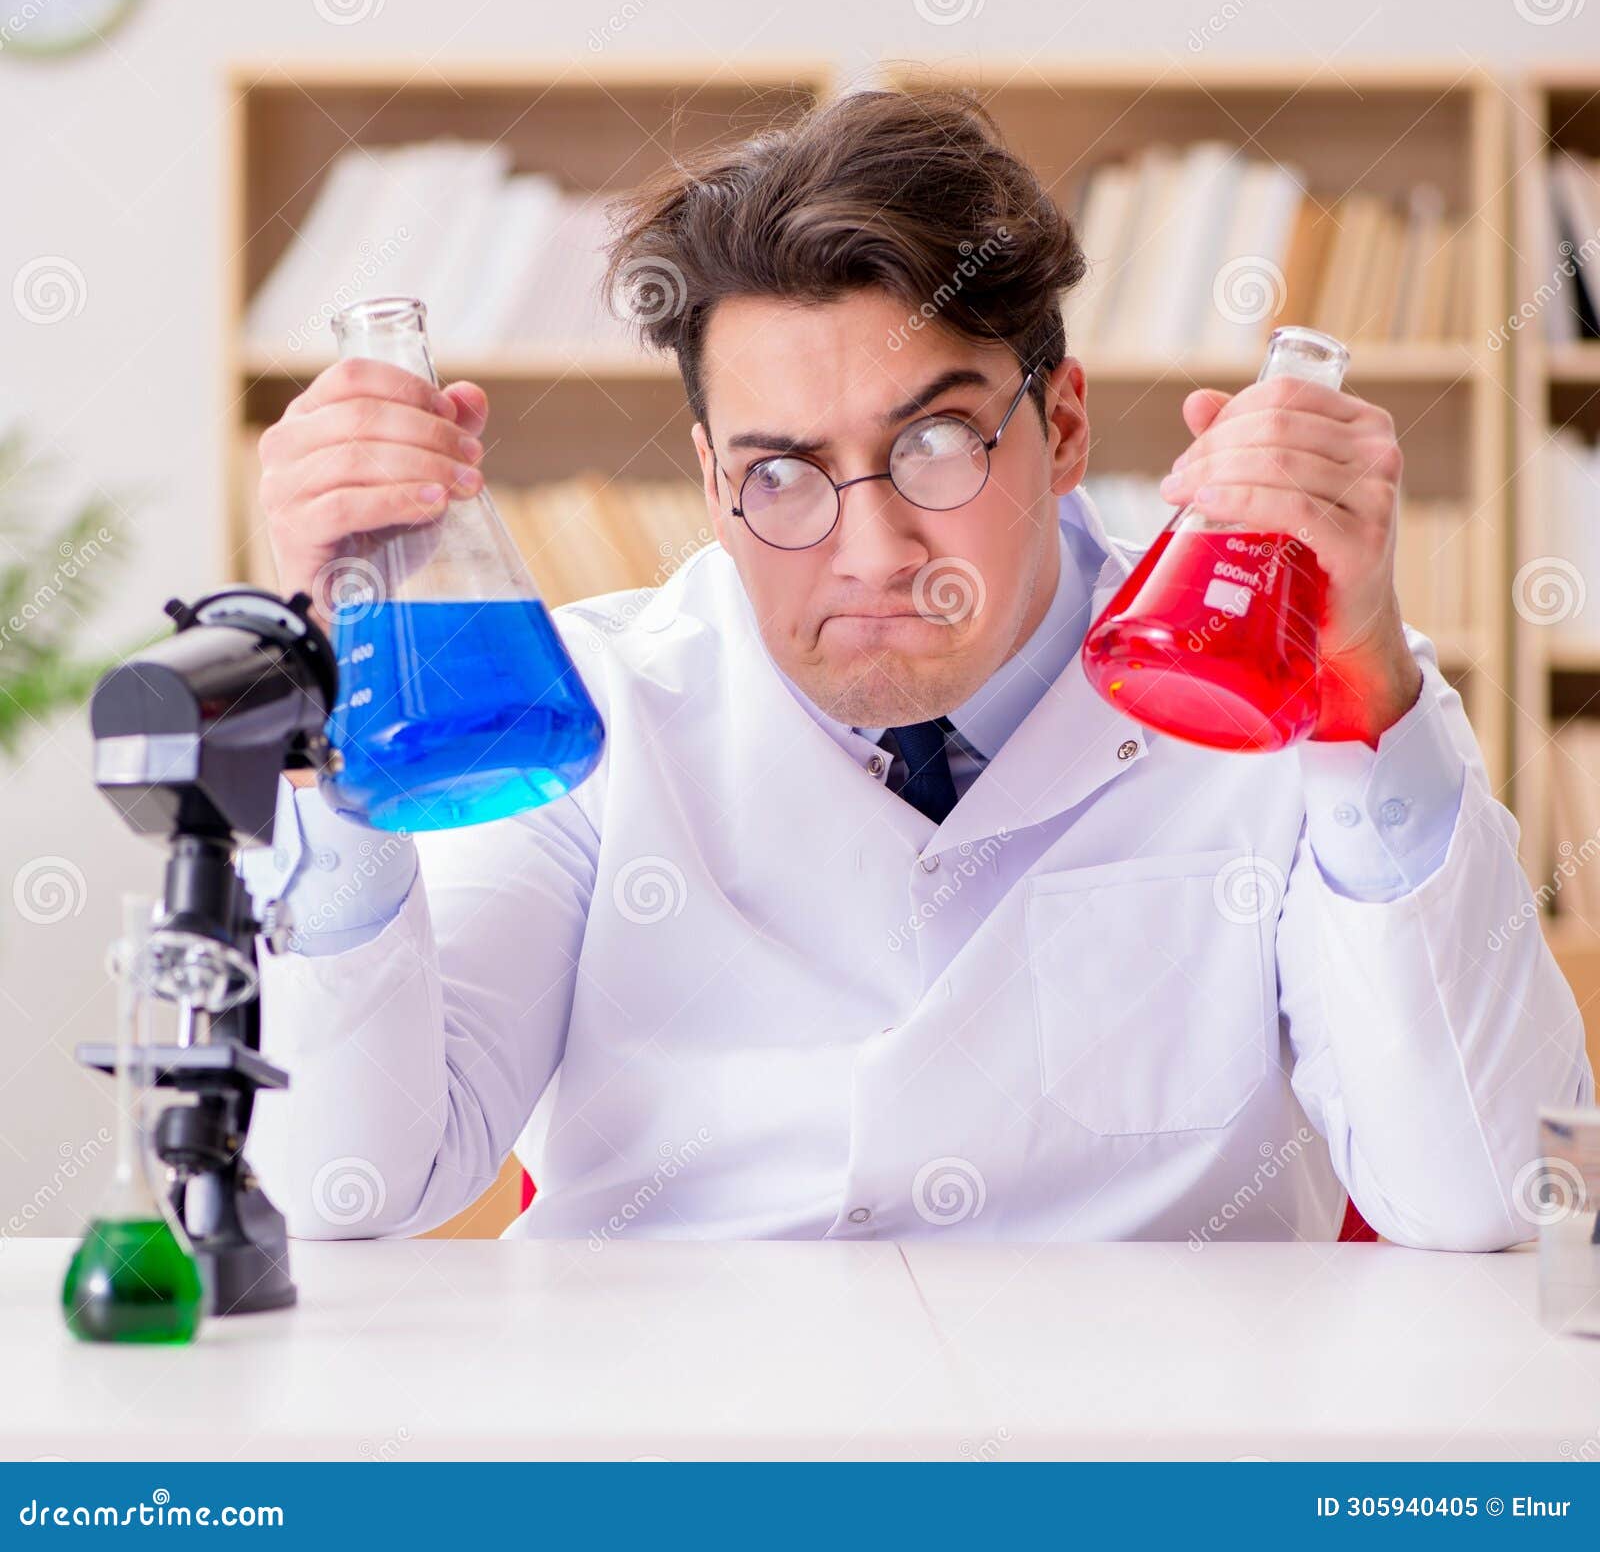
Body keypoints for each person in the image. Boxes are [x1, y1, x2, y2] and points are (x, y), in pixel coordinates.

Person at [242, 87, 1592, 1249]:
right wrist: (331, 699)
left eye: (939, 444)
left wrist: (1359, 693)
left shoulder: (1288, 689)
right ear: (711, 483)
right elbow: (351, 1188)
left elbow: (1490, 1198)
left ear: (1062, 426)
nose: (871, 547)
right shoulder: (591, 711)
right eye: (781, 471)